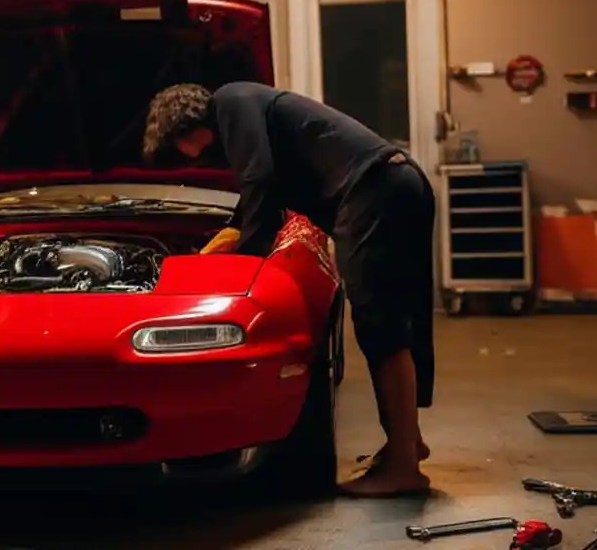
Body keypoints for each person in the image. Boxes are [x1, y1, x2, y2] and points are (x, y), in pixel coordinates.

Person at [142, 81, 436, 497]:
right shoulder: (246, 106)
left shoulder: (230, 102)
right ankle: (407, 444)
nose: (189, 158)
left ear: (183, 130)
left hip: (373, 191)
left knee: (381, 327)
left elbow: (258, 178)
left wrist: (246, 266)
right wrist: (229, 234)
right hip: (398, 182)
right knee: (398, 320)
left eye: (179, 149)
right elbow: (263, 189)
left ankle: (404, 467)